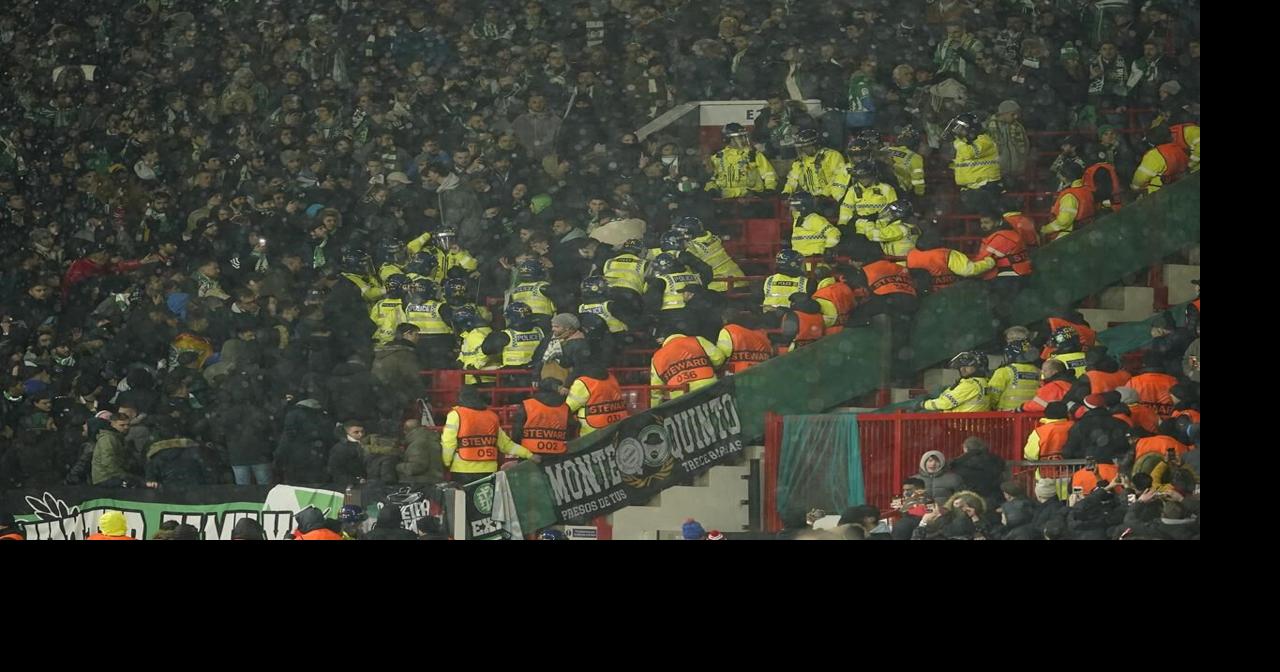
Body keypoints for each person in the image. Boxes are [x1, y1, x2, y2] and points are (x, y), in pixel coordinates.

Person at [441, 385, 537, 485]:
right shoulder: (492, 416)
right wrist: (529, 455)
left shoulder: (456, 415)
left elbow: (448, 443)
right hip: (489, 471)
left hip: (462, 470)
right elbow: (506, 445)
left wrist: (446, 463)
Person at [945, 112, 1003, 213]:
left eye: (961, 128)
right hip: (972, 190)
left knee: (986, 219)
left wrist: (956, 140)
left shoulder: (985, 140)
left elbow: (969, 153)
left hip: (986, 188)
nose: (957, 132)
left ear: (971, 129)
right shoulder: (964, 144)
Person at [650, 329, 725, 407]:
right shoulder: (698, 340)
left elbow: (656, 389)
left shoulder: (656, 358)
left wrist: (654, 411)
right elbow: (718, 358)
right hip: (709, 389)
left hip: (681, 399)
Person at [905, 231, 995, 293]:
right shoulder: (946, 254)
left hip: (920, 294)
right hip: (946, 294)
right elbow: (969, 270)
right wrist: (990, 262)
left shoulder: (911, 254)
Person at [704, 123, 776, 198]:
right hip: (725, 201)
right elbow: (712, 179)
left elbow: (769, 174)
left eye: (744, 136)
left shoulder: (753, 154)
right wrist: (711, 190)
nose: (744, 140)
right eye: (740, 137)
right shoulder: (718, 157)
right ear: (729, 139)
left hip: (752, 199)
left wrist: (770, 189)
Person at [677, 217, 746, 293]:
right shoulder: (713, 238)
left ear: (689, 232)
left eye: (682, 231)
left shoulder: (691, 247)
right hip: (740, 279)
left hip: (721, 285)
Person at [565, 361, 629, 436]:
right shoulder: (611, 378)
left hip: (593, 434)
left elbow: (566, 408)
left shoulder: (582, 382)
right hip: (618, 426)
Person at [511, 378, 573, 456]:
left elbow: (517, 429)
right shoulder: (565, 408)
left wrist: (517, 446)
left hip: (530, 453)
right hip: (557, 453)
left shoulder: (528, 405)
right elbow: (572, 430)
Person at [782, 128, 846, 200]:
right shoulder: (801, 161)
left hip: (830, 198)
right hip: (811, 198)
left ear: (815, 145)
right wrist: (786, 192)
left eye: (806, 146)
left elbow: (838, 178)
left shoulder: (832, 155)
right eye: (801, 147)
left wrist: (824, 194)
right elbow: (793, 179)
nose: (803, 150)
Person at [918, 351, 991, 413]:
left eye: (967, 366)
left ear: (978, 367)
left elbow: (945, 403)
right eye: (961, 366)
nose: (963, 369)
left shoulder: (971, 384)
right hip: (969, 424)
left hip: (960, 426)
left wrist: (923, 404)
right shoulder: (982, 382)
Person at [986, 331, 1041, 411]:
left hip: (1006, 417)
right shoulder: (1039, 371)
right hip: (1031, 417)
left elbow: (992, 396)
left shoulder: (1004, 372)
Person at [1041, 162, 1095, 242]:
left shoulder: (1070, 196)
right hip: (1087, 233)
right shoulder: (1087, 190)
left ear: (1065, 178)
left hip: (1068, 239)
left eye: (1061, 176)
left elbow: (1064, 222)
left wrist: (1045, 230)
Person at [838, 160, 898, 229]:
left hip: (880, 228)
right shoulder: (853, 190)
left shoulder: (887, 189)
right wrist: (842, 224)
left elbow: (894, 210)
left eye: (865, 177)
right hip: (860, 228)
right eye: (859, 177)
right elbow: (846, 209)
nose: (862, 180)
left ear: (872, 175)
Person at [1130, 125, 1189, 195]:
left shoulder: (1155, 155)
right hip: (1179, 188)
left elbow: (1141, 177)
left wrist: (1135, 188)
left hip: (1159, 193)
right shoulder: (1179, 149)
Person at [716, 309, 774, 374]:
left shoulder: (729, 330)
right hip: (762, 376)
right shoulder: (762, 336)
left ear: (724, 320)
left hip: (738, 376)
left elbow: (721, 356)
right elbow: (770, 353)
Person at [788, 193, 841, 258]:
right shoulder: (798, 219)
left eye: (793, 206)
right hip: (801, 258)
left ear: (802, 207)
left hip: (813, 259)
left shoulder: (814, 219)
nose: (790, 208)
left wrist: (827, 250)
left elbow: (834, 234)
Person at [760, 249, 810, 315]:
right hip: (792, 319)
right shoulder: (805, 282)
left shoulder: (769, 279)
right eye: (800, 263)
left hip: (768, 318)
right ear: (793, 264)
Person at [884, 125, 926, 198]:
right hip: (899, 191)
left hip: (880, 189)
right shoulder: (915, 157)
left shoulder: (885, 150)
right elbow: (918, 180)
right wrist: (919, 193)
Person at [328, 420, 367, 488]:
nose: (360, 434)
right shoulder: (340, 448)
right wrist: (354, 481)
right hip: (350, 485)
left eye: (362, 432)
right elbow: (336, 470)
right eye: (356, 432)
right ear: (347, 433)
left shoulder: (369, 444)